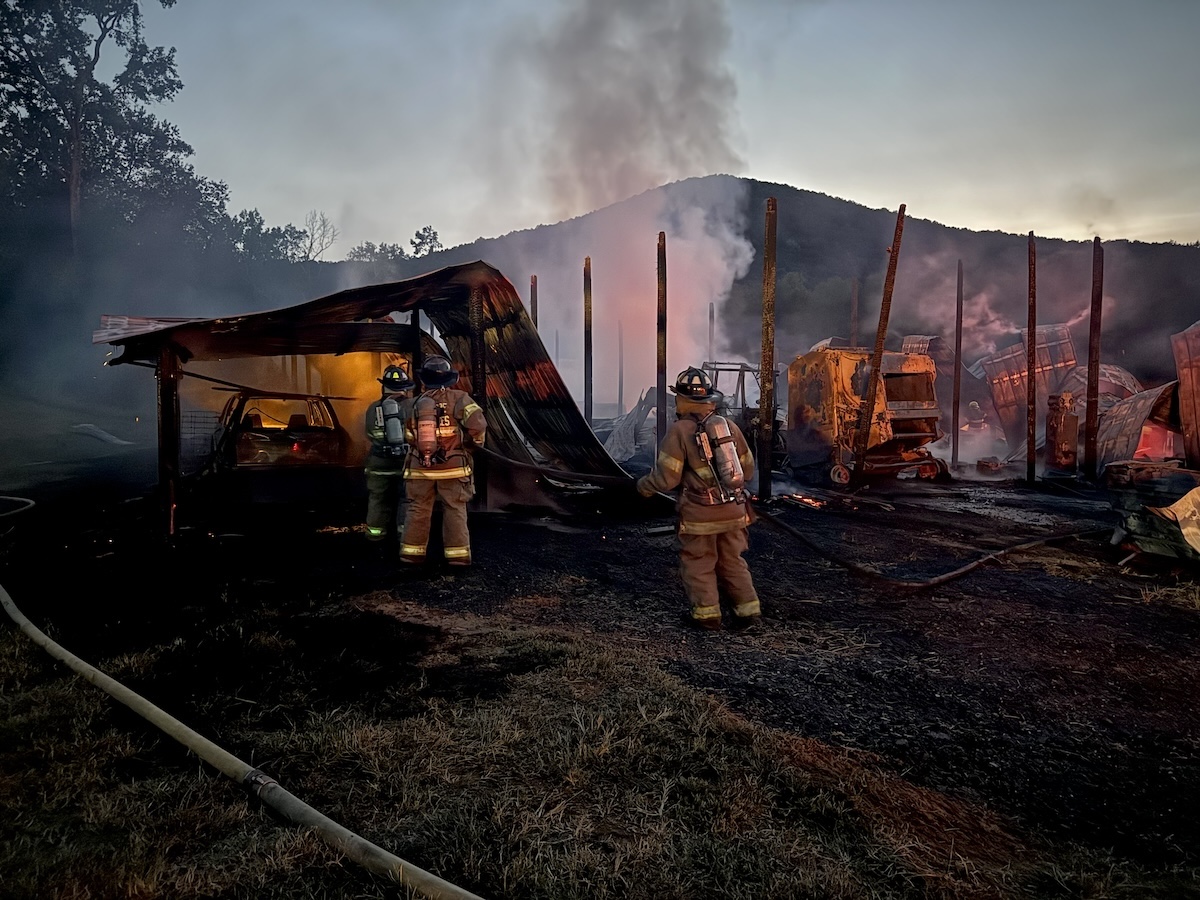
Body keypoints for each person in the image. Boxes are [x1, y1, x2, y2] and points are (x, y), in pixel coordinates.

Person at [636, 366, 762, 631]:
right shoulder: (729, 427)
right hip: (735, 511)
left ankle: (707, 617)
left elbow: (667, 479)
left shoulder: (679, 431)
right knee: (733, 561)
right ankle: (748, 612)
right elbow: (748, 470)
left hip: (700, 514)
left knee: (699, 562)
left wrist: (643, 487)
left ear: (681, 399)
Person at [399, 355, 487, 567]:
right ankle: (457, 557)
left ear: (424, 380)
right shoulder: (461, 399)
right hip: (453, 468)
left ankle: (411, 555)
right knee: (455, 508)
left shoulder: (413, 404)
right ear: (450, 379)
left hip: (420, 468)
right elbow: (478, 427)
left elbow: (408, 437)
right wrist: (469, 447)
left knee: (418, 508)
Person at [364, 364, 415, 546]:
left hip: (378, 463)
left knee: (378, 499)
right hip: (406, 463)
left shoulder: (372, 408)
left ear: (383, 386)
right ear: (405, 387)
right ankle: (404, 537)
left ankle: (375, 536)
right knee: (407, 500)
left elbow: (369, 434)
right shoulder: (413, 406)